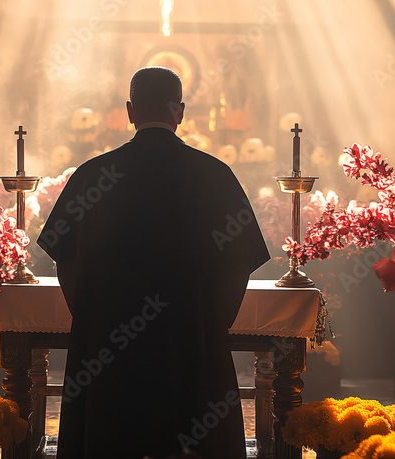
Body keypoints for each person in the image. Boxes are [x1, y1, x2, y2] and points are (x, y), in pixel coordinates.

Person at [37, 66, 270, 459]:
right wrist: (208, 322)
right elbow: (238, 264)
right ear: (180, 111)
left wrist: (95, 318)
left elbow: (67, 260)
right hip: (191, 344)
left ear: (130, 110)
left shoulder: (93, 175)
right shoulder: (214, 175)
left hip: (109, 348)